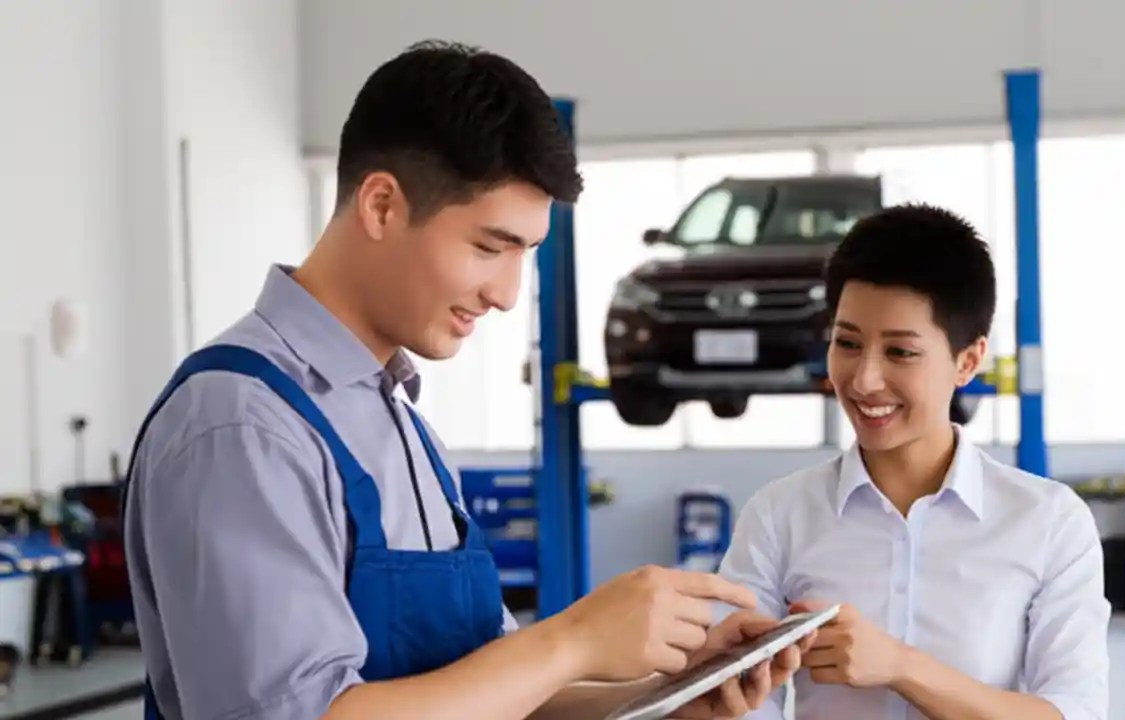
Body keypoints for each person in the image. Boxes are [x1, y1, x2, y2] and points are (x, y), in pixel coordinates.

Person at [121, 40, 812, 720]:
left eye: (525, 254)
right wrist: (572, 641)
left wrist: (671, 695)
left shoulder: (403, 427)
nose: (506, 294)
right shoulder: (241, 426)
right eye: (489, 247)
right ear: (382, 205)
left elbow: (495, 697)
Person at [716, 204, 1111, 719]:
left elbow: (1074, 711)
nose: (864, 380)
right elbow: (740, 703)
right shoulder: (779, 515)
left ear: (967, 361)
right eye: (847, 343)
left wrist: (900, 666)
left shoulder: (1048, 521)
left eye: (900, 352)